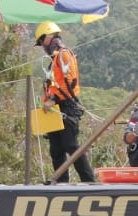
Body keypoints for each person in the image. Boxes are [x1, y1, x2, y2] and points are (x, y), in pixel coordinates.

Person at [35, 21, 95, 183]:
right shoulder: (53, 61)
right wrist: (45, 103)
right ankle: (61, 184)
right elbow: (52, 86)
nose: (42, 46)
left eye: (42, 41)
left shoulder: (64, 55)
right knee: (56, 149)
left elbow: (69, 83)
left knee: (70, 145)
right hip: (54, 108)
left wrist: (53, 99)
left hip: (67, 106)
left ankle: (89, 181)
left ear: (49, 36)